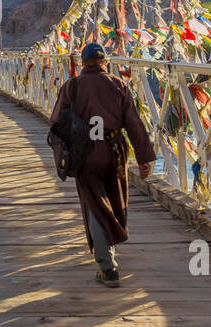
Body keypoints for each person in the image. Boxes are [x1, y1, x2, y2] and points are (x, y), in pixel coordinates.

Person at [49, 42, 155, 287]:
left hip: (85, 153)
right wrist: (144, 159)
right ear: (105, 62)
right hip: (115, 152)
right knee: (115, 200)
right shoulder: (118, 85)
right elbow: (134, 123)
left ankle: (107, 267)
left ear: (83, 63)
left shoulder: (72, 86)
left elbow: (56, 121)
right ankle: (109, 253)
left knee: (95, 204)